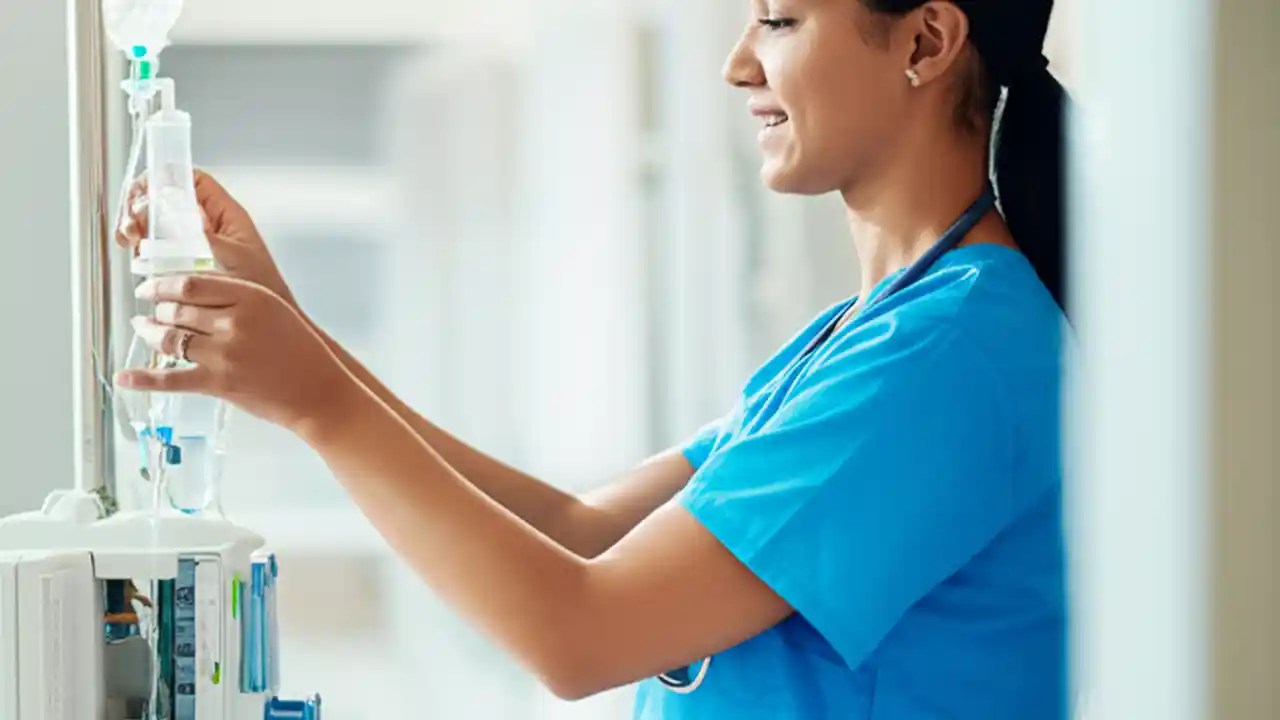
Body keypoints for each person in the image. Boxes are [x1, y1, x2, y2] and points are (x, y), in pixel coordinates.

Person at [118, 0, 1069, 717]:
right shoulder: (871, 331)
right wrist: (292, 331)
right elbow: (583, 530)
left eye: (779, 20)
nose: (739, 65)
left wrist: (315, 403)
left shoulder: (947, 355)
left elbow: (580, 632)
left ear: (926, 43)